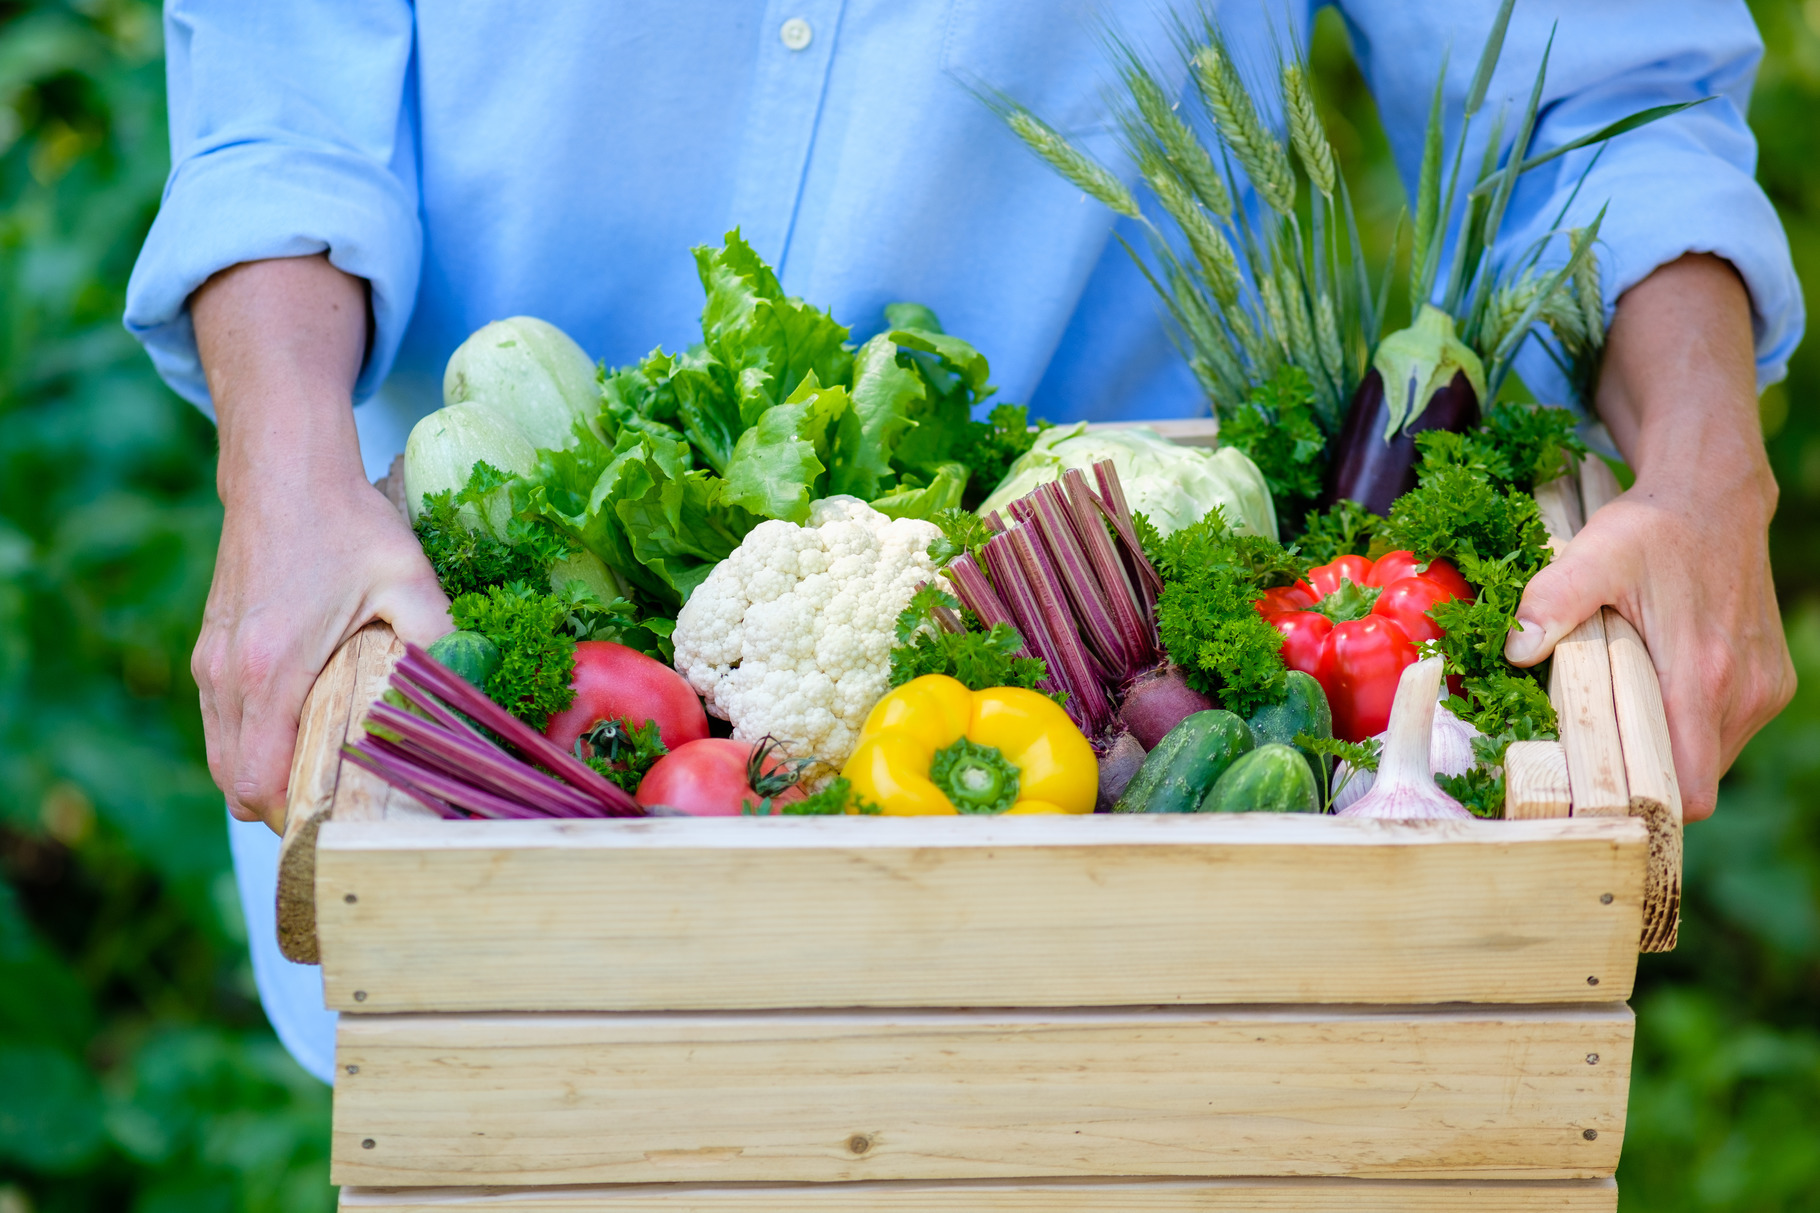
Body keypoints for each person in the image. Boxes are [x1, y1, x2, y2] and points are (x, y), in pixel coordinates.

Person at [126, 0, 1800, 1084]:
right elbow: (284, 104)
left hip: (1143, 824)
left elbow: (1607, 88)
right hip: (508, 757)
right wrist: (283, 467)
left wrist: (1712, 464)